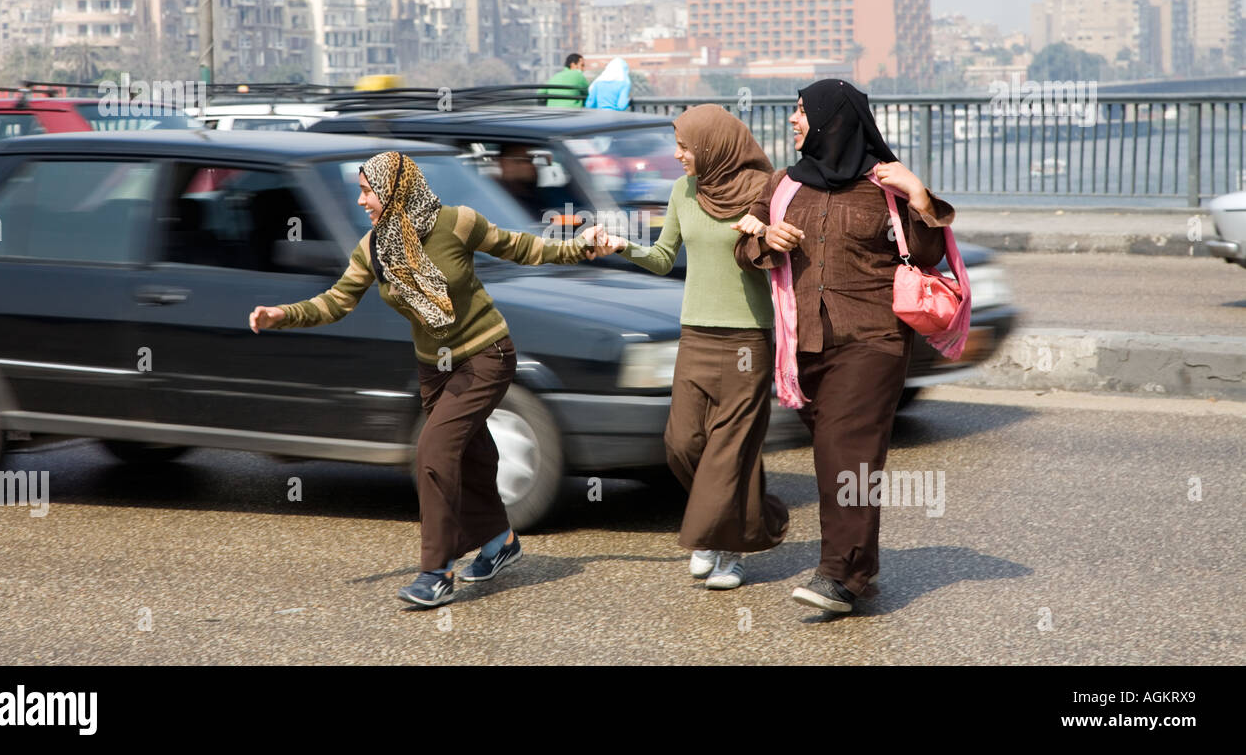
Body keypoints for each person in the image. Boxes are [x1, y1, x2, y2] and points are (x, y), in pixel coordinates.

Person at [247, 151, 603, 609]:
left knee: (434, 452)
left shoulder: (456, 223)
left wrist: (582, 245)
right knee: (470, 455)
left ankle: (436, 571)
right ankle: (499, 541)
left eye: (367, 190)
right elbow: (337, 301)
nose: (360, 201)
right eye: (359, 191)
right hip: (435, 370)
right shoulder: (374, 247)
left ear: (396, 190)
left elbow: (524, 247)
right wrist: (283, 314)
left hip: (485, 356)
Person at [732, 79, 955, 615]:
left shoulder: (885, 186)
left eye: (803, 111)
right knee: (842, 459)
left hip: (872, 342)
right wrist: (765, 240)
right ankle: (861, 569)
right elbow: (744, 247)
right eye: (794, 110)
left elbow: (928, 255)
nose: (793, 119)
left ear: (835, 120)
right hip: (803, 344)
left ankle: (839, 575)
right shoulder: (784, 185)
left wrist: (919, 195)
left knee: (844, 453)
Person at [589, 104, 788, 589]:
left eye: (684, 146)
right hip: (695, 335)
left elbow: (791, 253)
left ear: (714, 145)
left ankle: (725, 547)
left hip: (748, 338)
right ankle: (747, 518)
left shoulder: (766, 191)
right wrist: (622, 246)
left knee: (730, 449)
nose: (677, 155)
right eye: (676, 146)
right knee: (682, 443)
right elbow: (662, 258)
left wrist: (767, 233)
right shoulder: (683, 191)